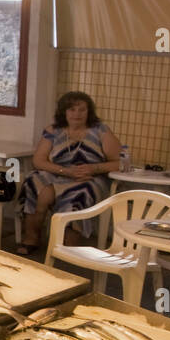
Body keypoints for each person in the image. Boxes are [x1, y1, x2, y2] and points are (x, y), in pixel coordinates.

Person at [18, 91, 121, 253]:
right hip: (59, 173)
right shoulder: (52, 130)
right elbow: (38, 160)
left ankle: (68, 246)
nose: (77, 114)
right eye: (72, 109)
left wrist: (94, 168)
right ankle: (31, 238)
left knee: (79, 193)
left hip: (90, 177)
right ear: (63, 112)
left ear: (89, 112)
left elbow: (120, 162)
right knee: (32, 181)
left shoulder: (101, 130)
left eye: (82, 110)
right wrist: (65, 171)